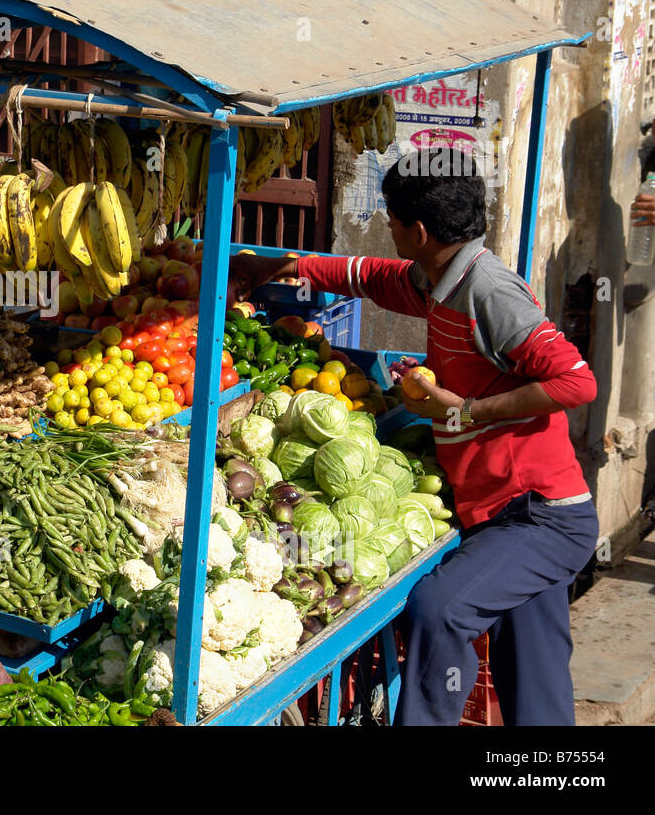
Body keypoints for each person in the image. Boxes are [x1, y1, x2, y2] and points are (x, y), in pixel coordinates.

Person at [229, 148, 599, 726]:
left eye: (392, 221)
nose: (389, 231)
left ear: (419, 230)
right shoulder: (440, 280)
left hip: (539, 515)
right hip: (502, 513)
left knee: (439, 609)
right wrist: (288, 268)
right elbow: (374, 277)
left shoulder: (489, 292)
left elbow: (576, 380)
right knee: (535, 676)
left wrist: (471, 410)